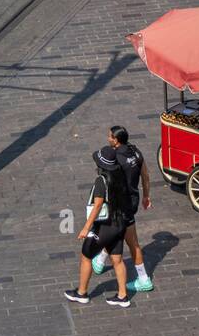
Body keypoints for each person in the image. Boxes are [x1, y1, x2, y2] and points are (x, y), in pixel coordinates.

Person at [64, 146, 132, 308]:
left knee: (86, 255)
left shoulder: (101, 181)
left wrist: (86, 228)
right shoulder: (120, 174)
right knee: (117, 259)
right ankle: (123, 296)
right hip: (119, 223)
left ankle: (81, 293)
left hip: (105, 226)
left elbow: (97, 205)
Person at [91, 126, 154, 292]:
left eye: (109, 136)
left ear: (116, 140)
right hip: (133, 201)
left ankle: (143, 278)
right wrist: (146, 196)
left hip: (120, 204)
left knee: (131, 241)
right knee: (118, 232)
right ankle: (100, 260)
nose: (107, 138)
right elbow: (145, 176)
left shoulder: (115, 158)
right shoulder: (136, 151)